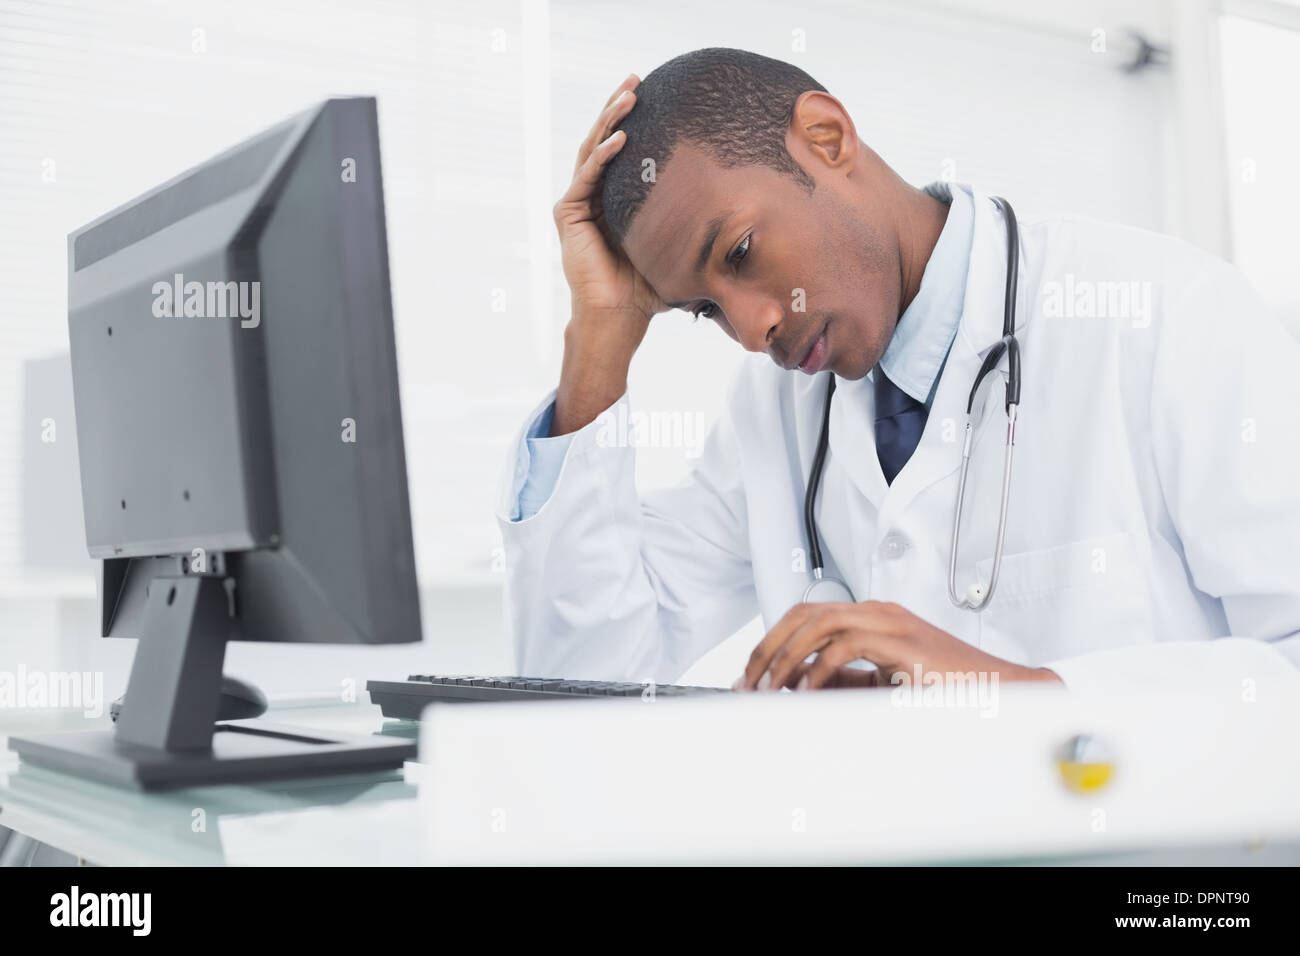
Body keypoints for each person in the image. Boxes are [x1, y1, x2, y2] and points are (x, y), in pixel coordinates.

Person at [496, 47, 1300, 694]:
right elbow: (587, 682)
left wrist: (1015, 689)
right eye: (704, 311)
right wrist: (601, 332)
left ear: (826, 139)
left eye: (739, 254)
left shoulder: (1166, 315)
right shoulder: (773, 412)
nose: (751, 331)